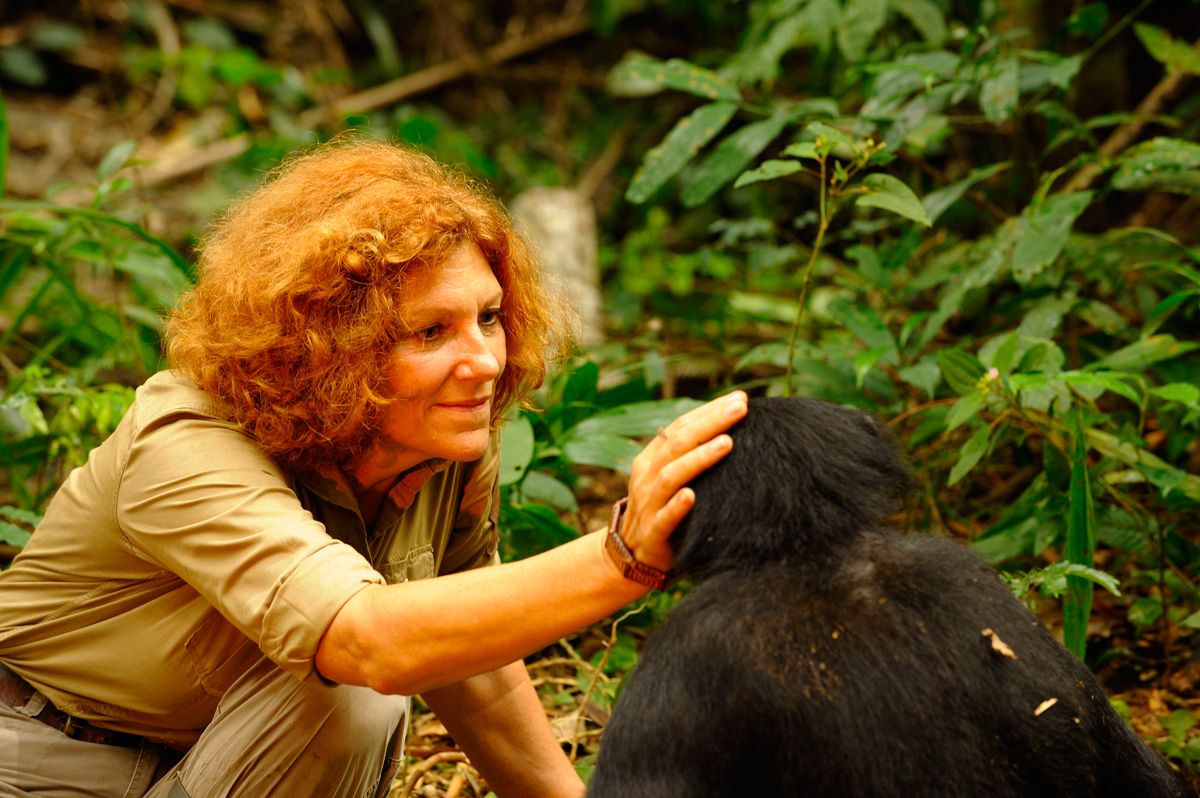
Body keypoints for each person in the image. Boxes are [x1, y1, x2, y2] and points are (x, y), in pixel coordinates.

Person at [0, 140, 748, 798]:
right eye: (431, 331)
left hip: (216, 761)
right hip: (45, 760)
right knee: (353, 693)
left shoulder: (439, 439)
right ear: (327, 346)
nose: (484, 362)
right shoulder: (185, 440)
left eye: (488, 318)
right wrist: (620, 556)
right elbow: (368, 643)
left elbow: (474, 669)